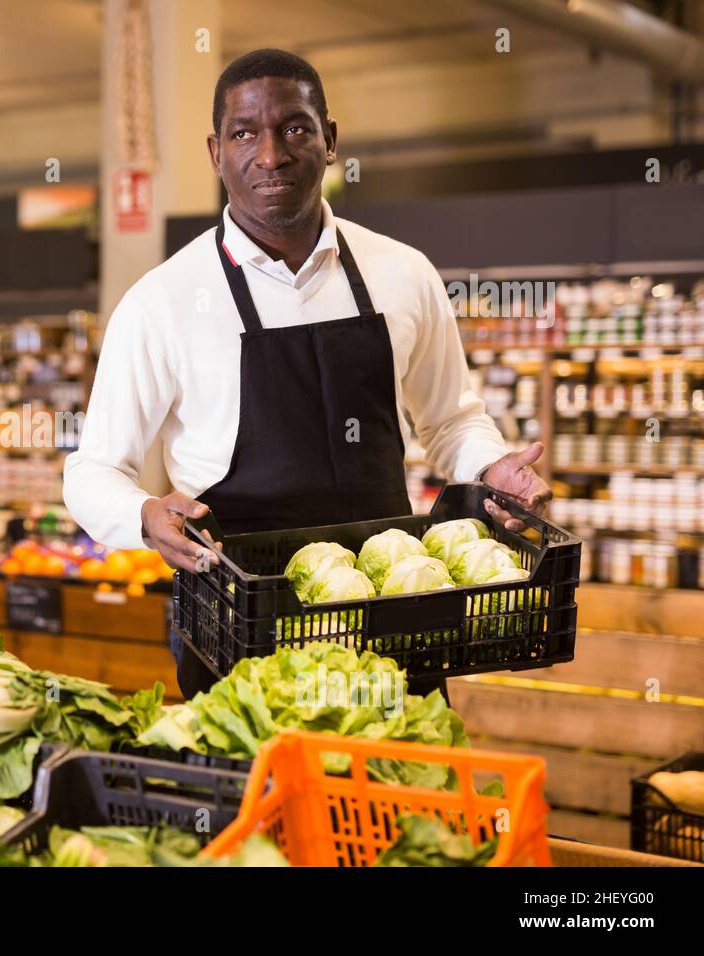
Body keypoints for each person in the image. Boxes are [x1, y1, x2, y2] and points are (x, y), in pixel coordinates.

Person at [63, 49, 551, 698]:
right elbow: (94, 467)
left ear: (330, 142)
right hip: (236, 623)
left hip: (389, 613)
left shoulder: (402, 274)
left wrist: (491, 470)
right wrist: (145, 514)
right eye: (244, 133)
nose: (270, 154)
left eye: (294, 128)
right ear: (216, 153)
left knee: (396, 795)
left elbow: (451, 418)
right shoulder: (162, 300)